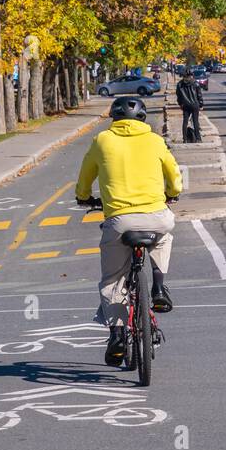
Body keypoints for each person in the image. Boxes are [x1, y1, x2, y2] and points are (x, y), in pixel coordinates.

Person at [76, 97, 183, 366]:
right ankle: (158, 288)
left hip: (120, 221)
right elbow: (173, 175)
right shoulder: (155, 141)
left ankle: (118, 336)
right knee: (164, 234)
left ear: (114, 118)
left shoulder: (102, 141)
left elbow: (85, 177)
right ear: (143, 118)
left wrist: (84, 197)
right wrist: (172, 193)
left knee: (113, 279)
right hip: (156, 217)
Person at [175, 69, 203, 143]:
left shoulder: (179, 84)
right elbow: (199, 95)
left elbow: (178, 96)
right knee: (195, 121)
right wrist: (201, 105)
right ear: (191, 75)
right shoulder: (195, 83)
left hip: (185, 105)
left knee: (185, 122)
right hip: (195, 105)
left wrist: (180, 104)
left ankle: (185, 139)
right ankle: (198, 138)